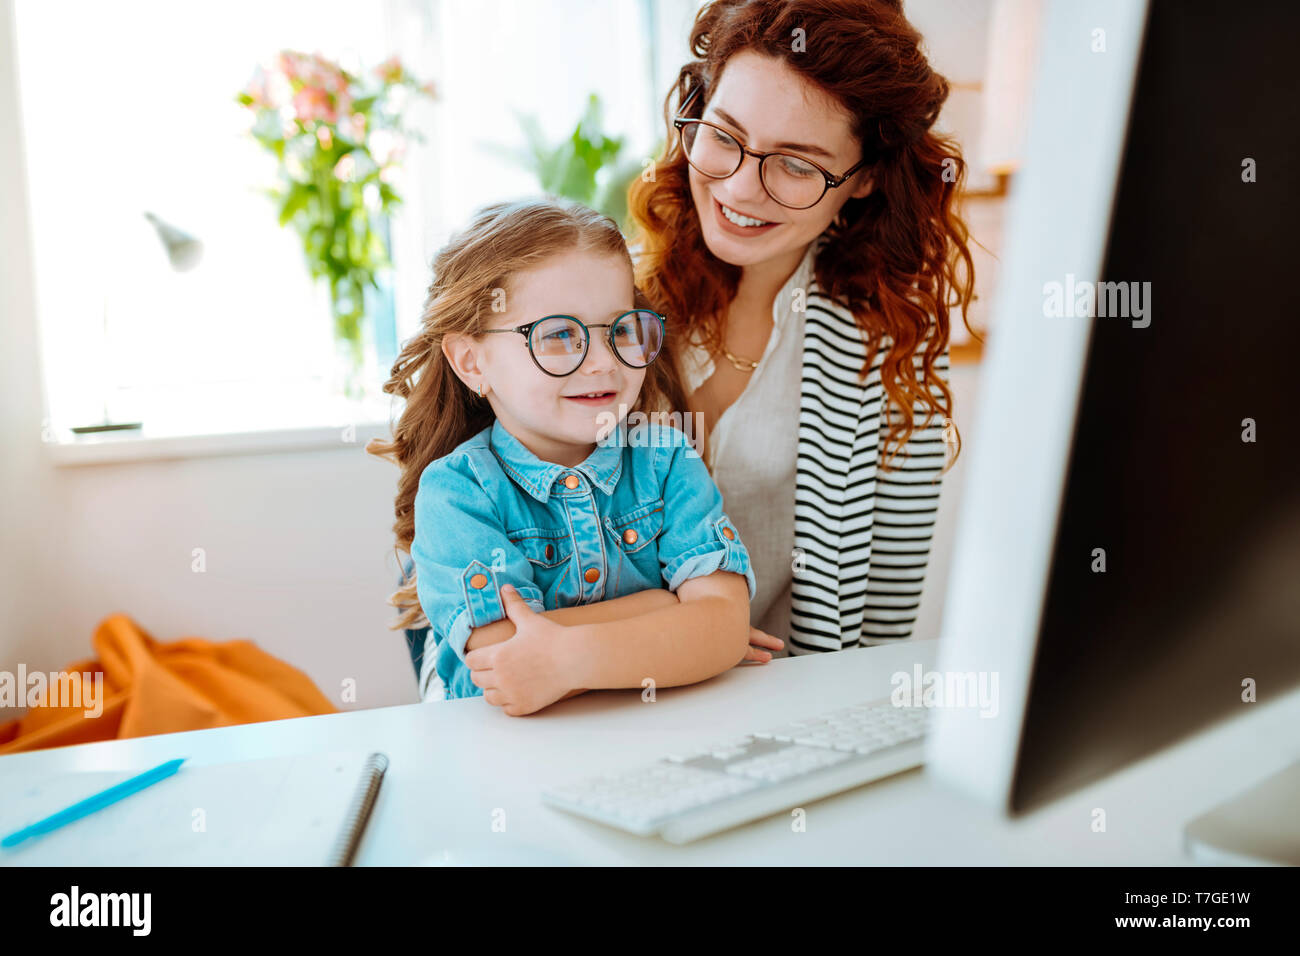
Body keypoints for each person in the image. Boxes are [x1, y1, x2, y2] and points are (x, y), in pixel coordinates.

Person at [628, 0, 976, 654]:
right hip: (593, 693)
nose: (739, 188)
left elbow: (880, 633)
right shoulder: (616, 301)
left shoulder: (892, 351)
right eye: (725, 136)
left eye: (796, 164)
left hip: (780, 706)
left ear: (865, 178)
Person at [367, 198, 759, 716]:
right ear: (471, 362)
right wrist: (670, 615)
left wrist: (565, 659)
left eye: (620, 329)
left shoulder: (666, 460)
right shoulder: (457, 492)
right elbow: (505, 663)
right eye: (558, 335)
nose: (602, 363)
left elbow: (724, 629)